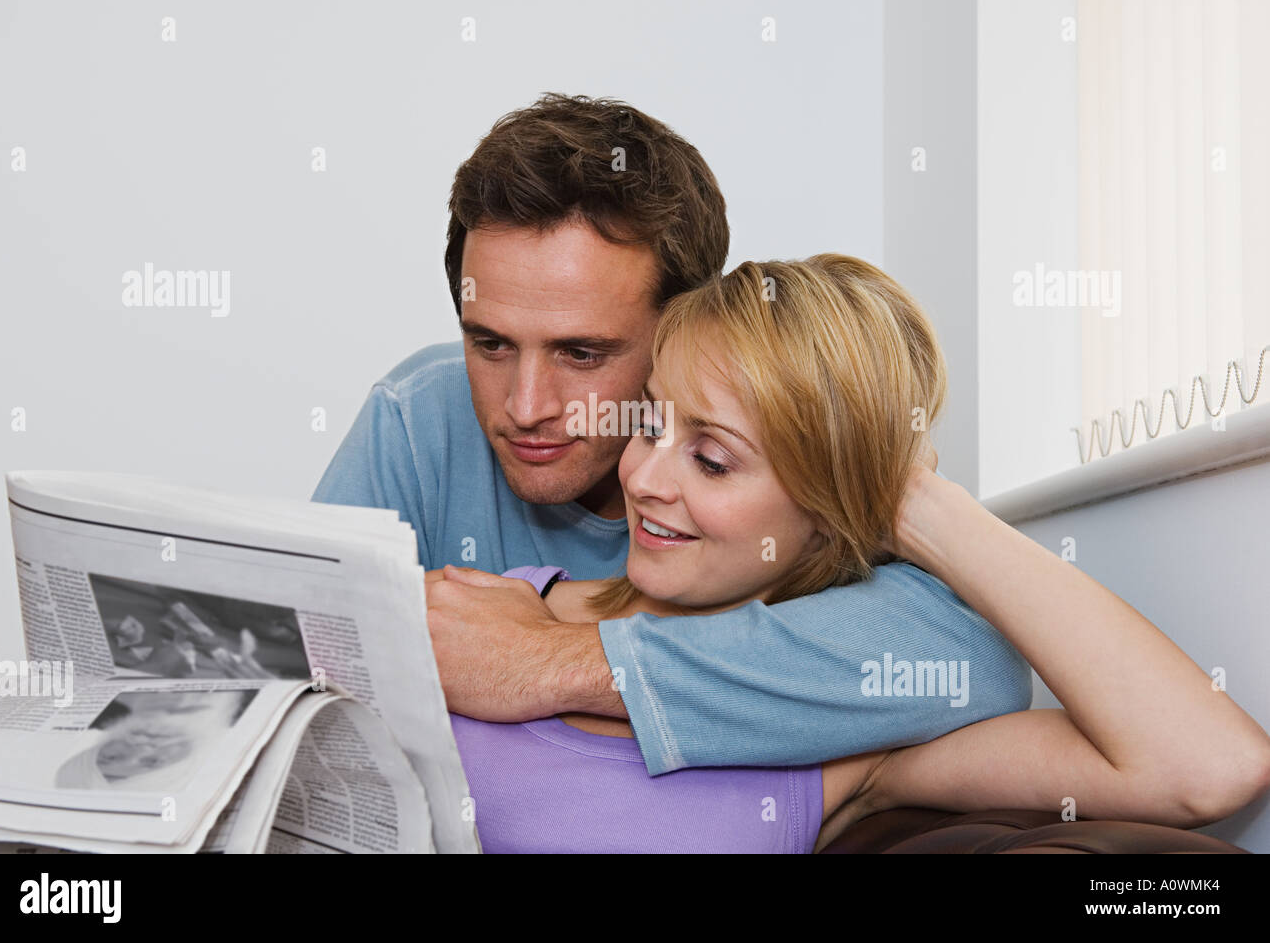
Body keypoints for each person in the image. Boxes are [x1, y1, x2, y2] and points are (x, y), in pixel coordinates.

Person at [434, 254, 1270, 852]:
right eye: (651, 423)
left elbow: (1208, 767)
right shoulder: (491, 607)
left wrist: (915, 503)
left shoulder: (860, 736)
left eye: (713, 458)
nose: (647, 479)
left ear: (830, 516)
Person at [314, 94, 1031, 782]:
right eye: (490, 343)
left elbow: (970, 659)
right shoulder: (416, 418)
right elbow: (286, 668)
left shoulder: (770, 461)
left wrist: (551, 660)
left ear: (682, 331)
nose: (526, 406)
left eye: (582, 353)